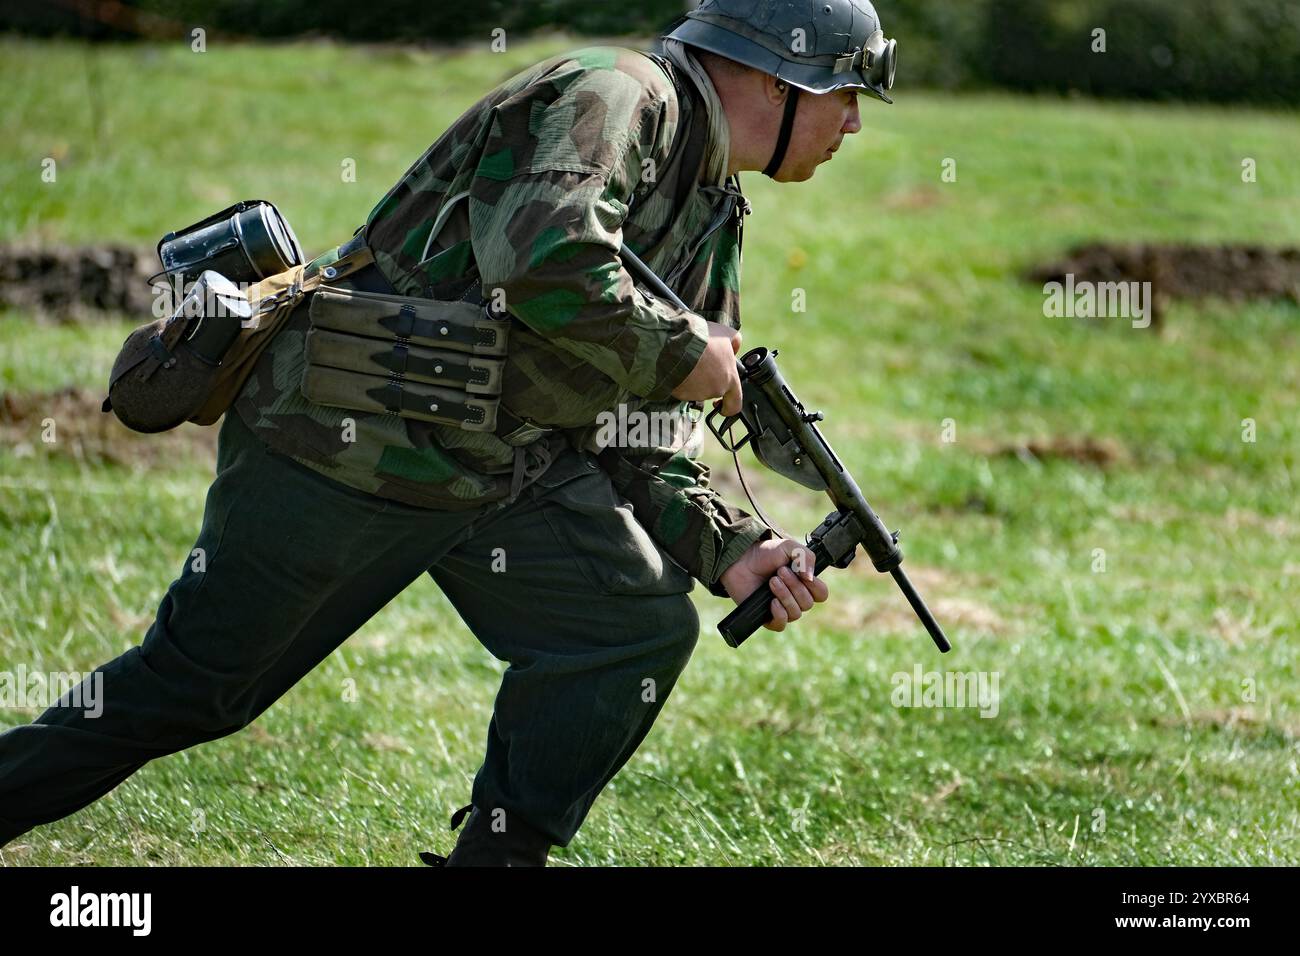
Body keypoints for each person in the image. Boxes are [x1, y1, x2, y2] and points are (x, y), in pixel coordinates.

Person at [0, 0, 895, 865]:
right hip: (346, 440)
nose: (853, 124)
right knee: (193, 690)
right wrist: (681, 350)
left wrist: (729, 546)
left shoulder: (714, 201)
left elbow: (642, 419)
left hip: (499, 468)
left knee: (630, 628)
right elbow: (542, 260)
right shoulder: (615, 94)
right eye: (846, 94)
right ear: (777, 79)